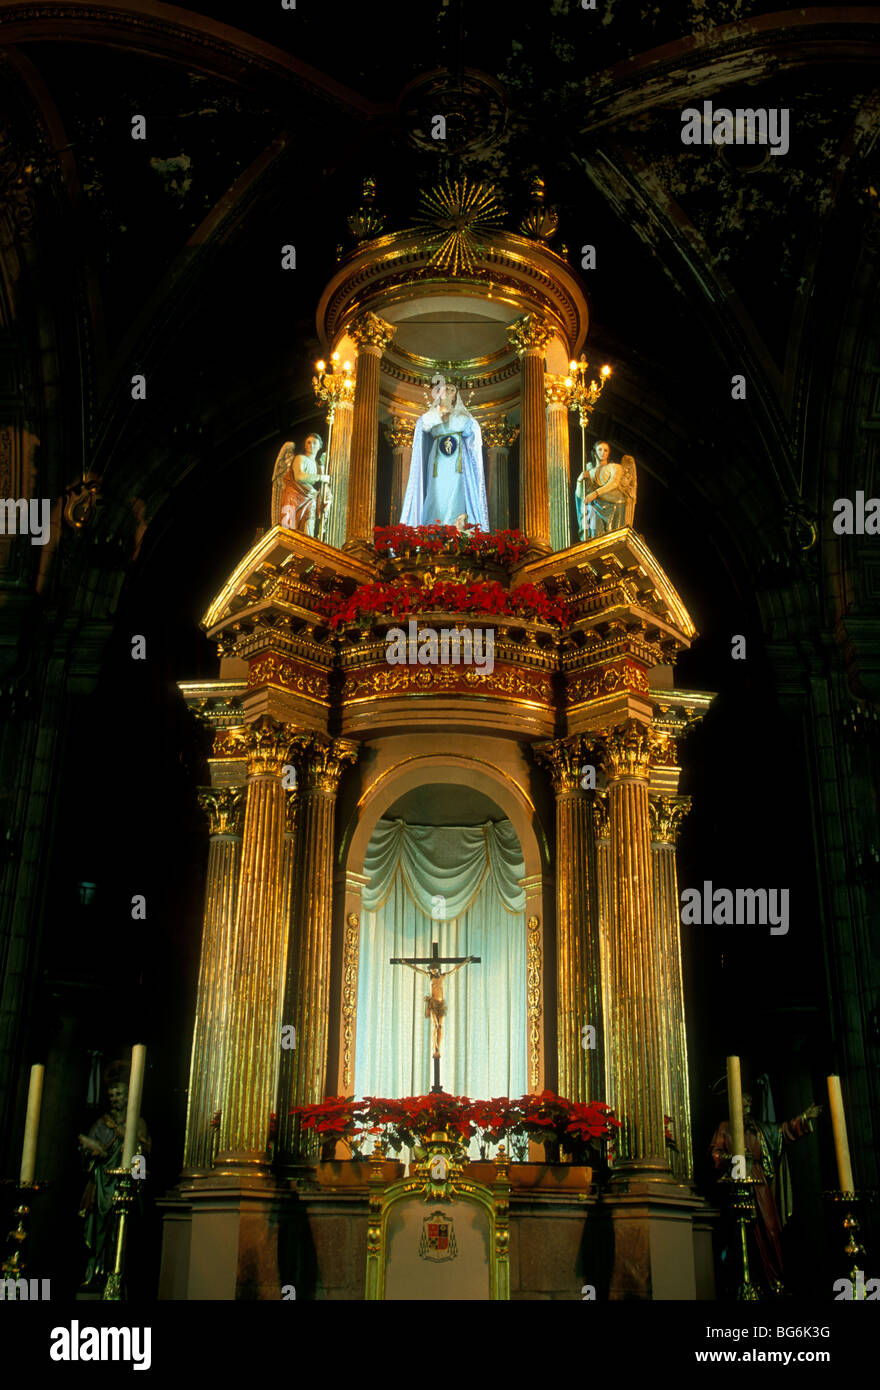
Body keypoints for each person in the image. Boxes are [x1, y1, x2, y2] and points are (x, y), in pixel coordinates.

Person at [710, 1088, 821, 1294]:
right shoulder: (725, 1128)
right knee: (742, 1232)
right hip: (737, 1180)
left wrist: (803, 1118)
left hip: (760, 1183)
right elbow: (716, 1154)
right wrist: (736, 1158)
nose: (747, 1105)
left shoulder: (758, 1128)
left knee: (770, 1230)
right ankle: (747, 1282)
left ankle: (775, 1280)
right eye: (743, 1102)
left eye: (749, 1103)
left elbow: (781, 1131)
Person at [78, 1062, 151, 1290]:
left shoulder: (137, 1123)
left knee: (118, 1233)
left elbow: (142, 1156)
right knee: (98, 1230)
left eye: (118, 1093)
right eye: (111, 1094)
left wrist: (137, 1181)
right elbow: (88, 1155)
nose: (114, 1098)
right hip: (102, 1185)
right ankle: (96, 1272)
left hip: (124, 1187)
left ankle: (116, 1276)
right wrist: (92, 1151)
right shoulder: (101, 1124)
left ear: (128, 1095)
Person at [399, 375, 489, 530]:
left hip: (458, 464)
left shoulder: (462, 416)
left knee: (457, 492)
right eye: (444, 389)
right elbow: (423, 426)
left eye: (451, 389)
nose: (447, 392)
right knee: (436, 493)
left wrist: (463, 422)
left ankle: (457, 530)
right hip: (438, 464)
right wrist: (440, 414)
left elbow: (471, 432)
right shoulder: (432, 414)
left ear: (456, 395)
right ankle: (433, 529)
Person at [272, 433, 332, 538]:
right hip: (294, 497)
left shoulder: (318, 465)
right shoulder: (300, 458)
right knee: (289, 530)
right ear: (305, 445)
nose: (311, 445)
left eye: (314, 443)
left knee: (309, 527)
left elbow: (323, 483)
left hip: (310, 498)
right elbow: (299, 477)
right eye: (309, 442)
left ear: (319, 446)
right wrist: (320, 477)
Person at [575, 441, 634, 539]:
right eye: (600, 449)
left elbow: (614, 483)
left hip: (614, 506)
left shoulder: (615, 467)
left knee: (613, 538)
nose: (603, 452)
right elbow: (581, 495)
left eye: (605, 450)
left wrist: (595, 493)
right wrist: (579, 481)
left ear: (609, 453)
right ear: (594, 453)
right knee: (595, 537)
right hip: (595, 507)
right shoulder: (589, 472)